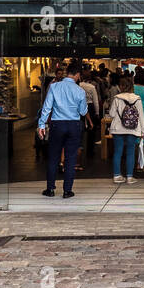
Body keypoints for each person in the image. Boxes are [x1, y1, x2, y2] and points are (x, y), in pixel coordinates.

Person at [36, 63, 87, 199]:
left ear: (66, 73)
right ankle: (67, 191)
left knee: (53, 157)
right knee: (70, 158)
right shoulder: (80, 91)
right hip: (74, 125)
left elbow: (47, 107)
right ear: (77, 75)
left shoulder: (54, 87)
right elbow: (83, 111)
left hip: (57, 125)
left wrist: (41, 124)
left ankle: (50, 189)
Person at [105, 73, 144, 183]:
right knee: (130, 152)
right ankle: (129, 176)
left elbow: (112, 114)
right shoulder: (137, 99)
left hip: (118, 128)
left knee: (118, 151)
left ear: (121, 86)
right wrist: (142, 130)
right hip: (133, 129)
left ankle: (117, 175)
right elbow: (141, 116)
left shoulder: (117, 98)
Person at [74, 62, 100, 173]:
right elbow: (96, 101)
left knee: (80, 130)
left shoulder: (77, 87)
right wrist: (98, 113)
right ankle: (90, 150)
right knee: (91, 131)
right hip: (90, 108)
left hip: (78, 109)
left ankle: (79, 149)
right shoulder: (92, 87)